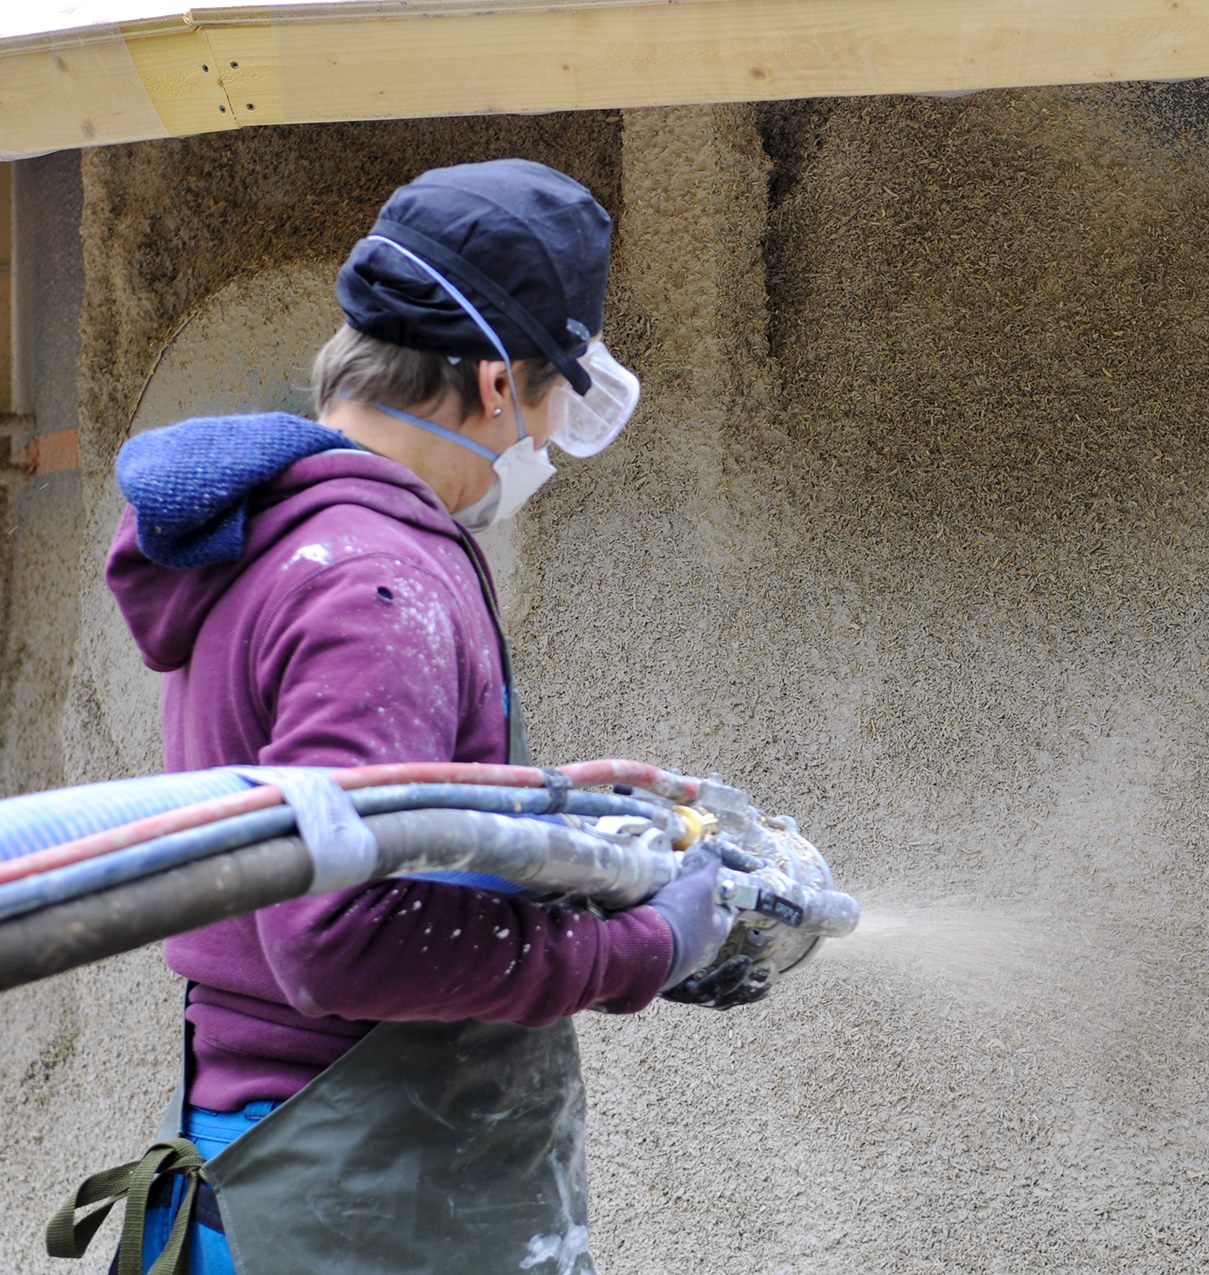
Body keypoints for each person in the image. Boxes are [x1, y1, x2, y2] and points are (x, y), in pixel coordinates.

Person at [50, 159, 730, 1275]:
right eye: (556, 396)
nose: (548, 438)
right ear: (499, 382)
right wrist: (640, 947)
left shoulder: (285, 540)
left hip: (294, 1167)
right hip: (358, 1197)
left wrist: (536, 814)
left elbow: (348, 827)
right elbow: (335, 936)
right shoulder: (378, 583)